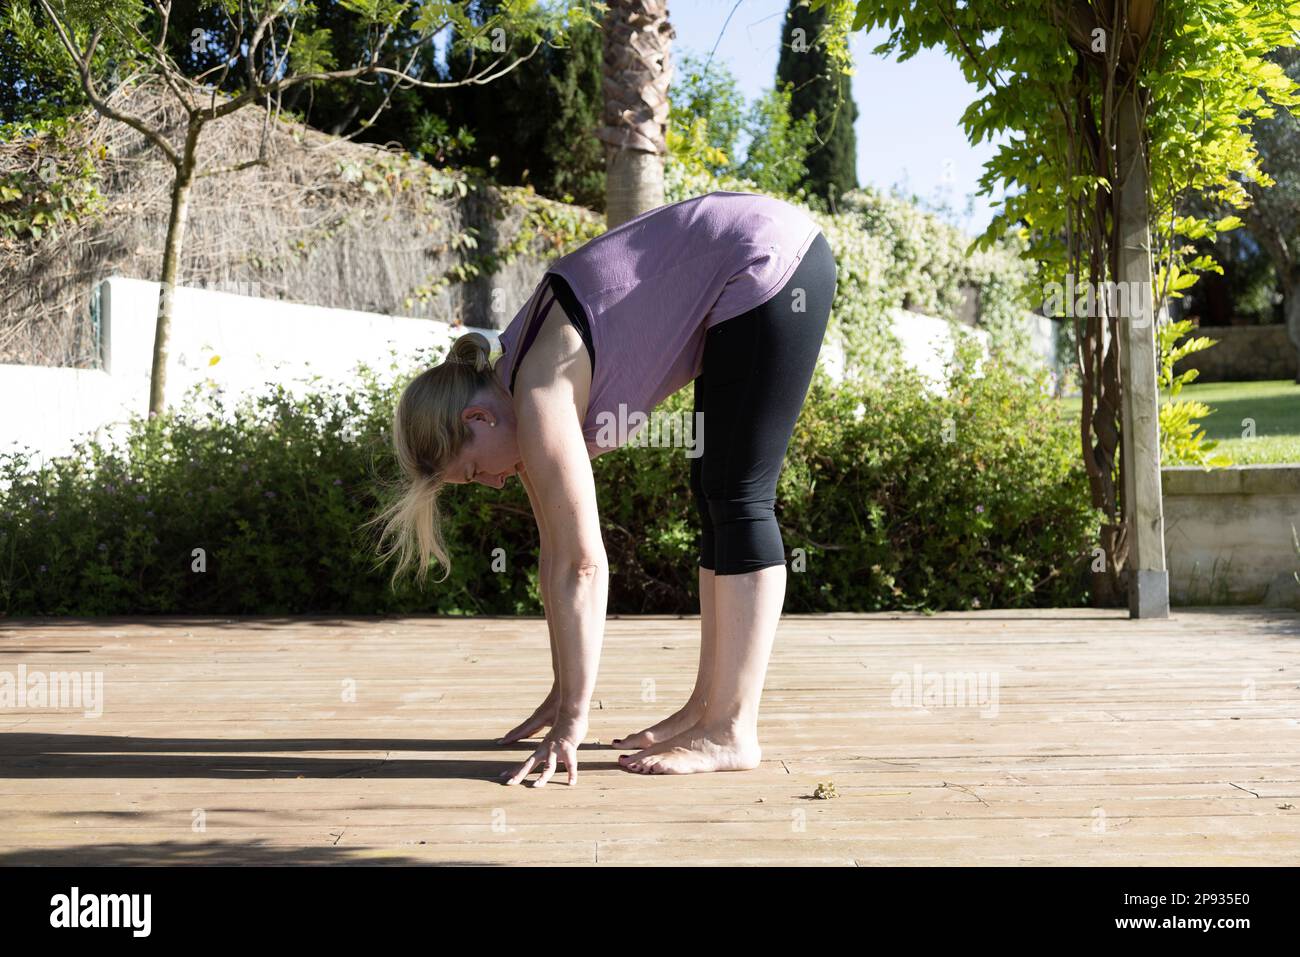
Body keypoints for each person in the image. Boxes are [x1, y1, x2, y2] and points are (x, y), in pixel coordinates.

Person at [370, 190, 837, 785]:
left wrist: (572, 722)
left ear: (476, 420)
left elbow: (584, 566)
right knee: (715, 489)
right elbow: (555, 555)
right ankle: (706, 709)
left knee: (739, 493)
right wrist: (563, 692)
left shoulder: (537, 393)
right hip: (752, 258)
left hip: (772, 260)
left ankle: (732, 728)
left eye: (472, 472)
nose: (488, 484)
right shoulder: (517, 378)